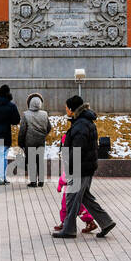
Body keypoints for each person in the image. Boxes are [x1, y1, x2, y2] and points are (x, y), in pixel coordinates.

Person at [52, 95, 117, 239]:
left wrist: (70, 167)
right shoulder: (83, 122)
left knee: (72, 198)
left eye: (66, 107)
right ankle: (106, 222)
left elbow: (78, 149)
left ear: (72, 109)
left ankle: (69, 230)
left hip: (80, 168)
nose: (66, 110)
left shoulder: (81, 125)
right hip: (86, 166)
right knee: (85, 198)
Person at [52, 131, 97, 234]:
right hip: (73, 184)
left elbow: (66, 174)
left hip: (71, 186)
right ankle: (66, 222)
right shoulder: (74, 154)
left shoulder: (70, 156)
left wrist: (60, 184)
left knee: (69, 205)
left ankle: (87, 222)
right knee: (71, 206)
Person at [18, 92, 52, 186]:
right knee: (40, 161)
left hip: (29, 142)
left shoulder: (26, 115)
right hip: (41, 141)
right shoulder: (44, 114)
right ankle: (41, 181)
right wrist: (43, 134)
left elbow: (22, 130)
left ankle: (33, 182)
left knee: (32, 161)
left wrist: (21, 142)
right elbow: (49, 127)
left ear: (29, 103)